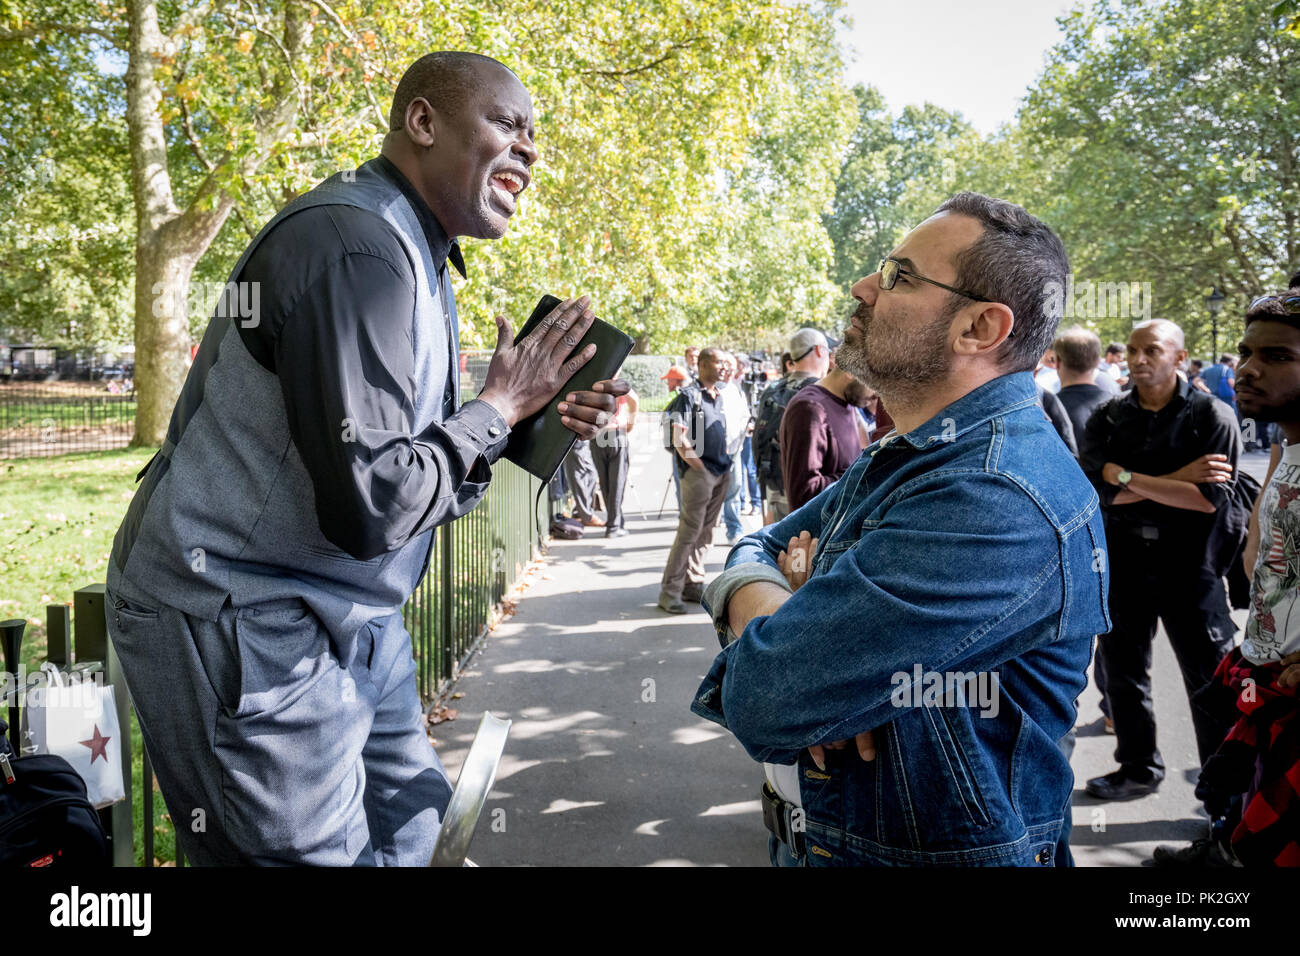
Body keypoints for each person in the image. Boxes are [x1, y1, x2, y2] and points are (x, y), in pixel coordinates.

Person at [103, 52, 626, 866]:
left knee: (419, 839)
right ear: (422, 123)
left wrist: (521, 421)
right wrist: (494, 409)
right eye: (507, 125)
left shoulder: (413, 253)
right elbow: (373, 505)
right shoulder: (355, 249)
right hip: (246, 620)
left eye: (536, 135)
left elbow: (397, 469)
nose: (530, 150)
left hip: (355, 618)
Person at [692, 192, 1108, 866]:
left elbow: (770, 695)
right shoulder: (916, 449)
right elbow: (757, 546)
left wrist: (801, 644)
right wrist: (794, 620)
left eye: (899, 277)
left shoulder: (995, 494)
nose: (863, 287)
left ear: (981, 328)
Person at [1152, 274, 1300, 866]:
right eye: (1245, 352)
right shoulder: (1287, 447)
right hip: (1262, 677)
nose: (1247, 368)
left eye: (1276, 356)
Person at [1077, 319, 1240, 802]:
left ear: (1179, 356)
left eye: (1151, 350)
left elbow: (1208, 499)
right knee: (1123, 672)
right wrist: (1176, 479)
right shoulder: (1107, 417)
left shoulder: (1211, 415)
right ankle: (1137, 768)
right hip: (1124, 560)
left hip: (1192, 565)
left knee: (1210, 679)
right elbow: (1097, 494)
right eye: (1132, 349)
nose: (1138, 358)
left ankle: (1222, 791)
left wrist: (1124, 475)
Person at [659, 348, 732, 614]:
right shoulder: (688, 396)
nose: (723, 367)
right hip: (700, 475)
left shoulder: (718, 396)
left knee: (706, 532)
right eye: (718, 362)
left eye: (725, 362)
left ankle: (693, 583)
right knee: (690, 532)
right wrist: (698, 466)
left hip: (720, 472)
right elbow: (675, 433)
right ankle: (669, 592)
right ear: (702, 365)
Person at [753, 329, 830, 523]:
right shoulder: (822, 392)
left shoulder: (772, 389)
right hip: (810, 495)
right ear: (819, 351)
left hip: (773, 485)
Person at [778, 362, 870, 511]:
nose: (878, 393)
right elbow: (804, 493)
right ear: (852, 371)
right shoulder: (810, 409)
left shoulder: (848, 401)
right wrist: (860, 473)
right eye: (875, 381)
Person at [591, 382, 639, 538]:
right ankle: (613, 526)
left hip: (597, 435)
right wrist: (630, 424)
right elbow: (634, 400)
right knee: (617, 482)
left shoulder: (595, 380)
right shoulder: (618, 384)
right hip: (615, 434)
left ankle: (616, 521)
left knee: (605, 482)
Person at [717, 351, 750, 545]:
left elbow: (744, 415)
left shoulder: (736, 390)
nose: (729, 370)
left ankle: (734, 529)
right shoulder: (712, 390)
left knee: (734, 489)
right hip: (713, 451)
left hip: (734, 448)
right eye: (725, 366)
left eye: (732, 366)